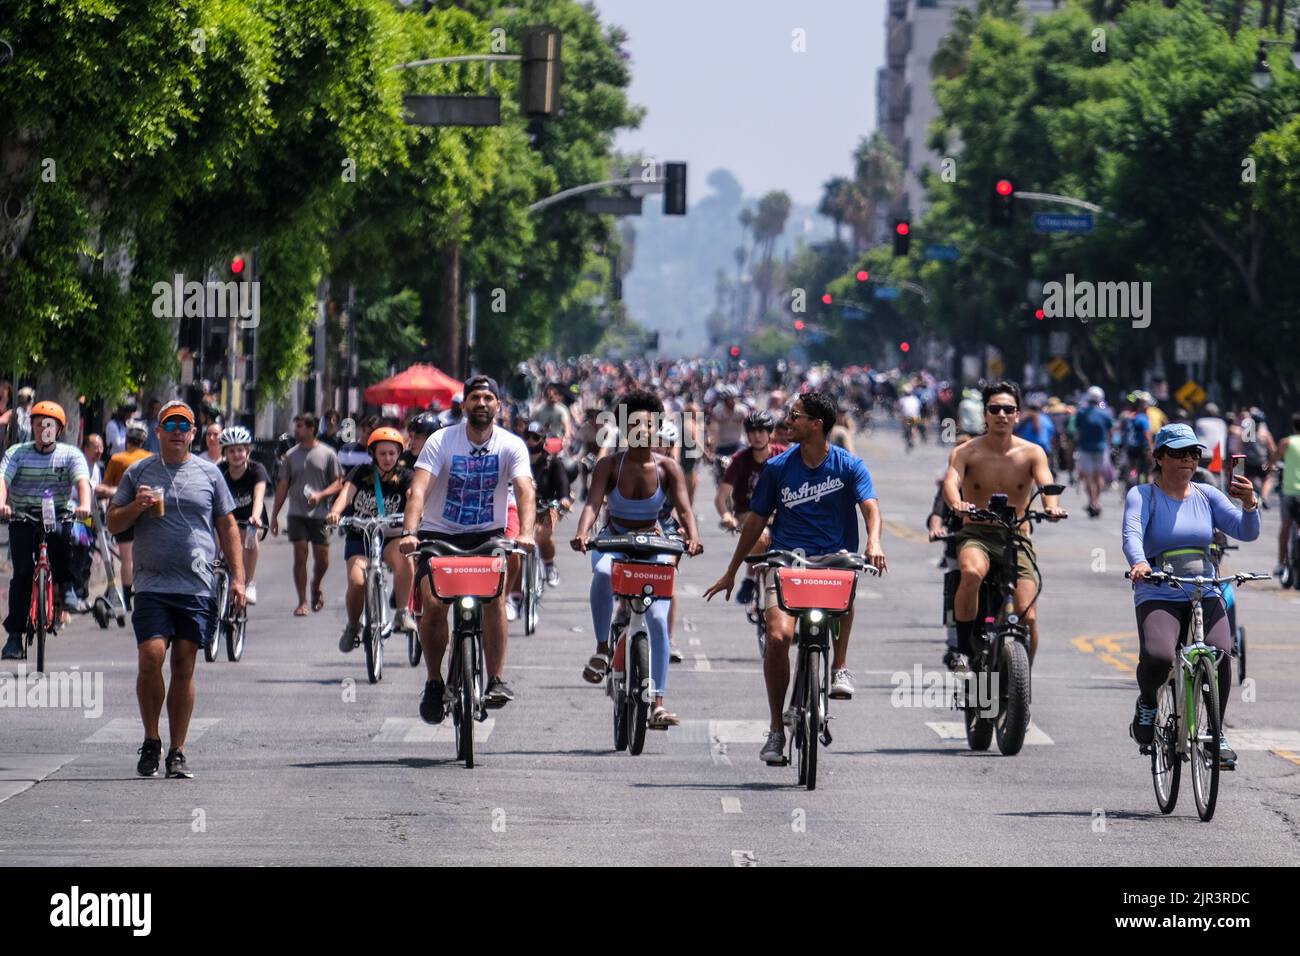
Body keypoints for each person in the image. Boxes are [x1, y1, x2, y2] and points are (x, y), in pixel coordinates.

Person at [704, 390, 887, 764]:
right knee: (778, 636)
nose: (787, 422)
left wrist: (875, 541)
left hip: (834, 560)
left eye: (796, 416)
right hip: (788, 562)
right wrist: (732, 570)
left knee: (847, 582)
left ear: (816, 425)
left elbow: (871, 506)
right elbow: (755, 521)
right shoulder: (778, 468)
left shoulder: (849, 465)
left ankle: (839, 667)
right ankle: (775, 730)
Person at [107, 401, 242, 779]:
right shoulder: (139, 472)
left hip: (196, 586)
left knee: (184, 664)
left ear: (194, 433)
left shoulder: (210, 474)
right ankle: (152, 738)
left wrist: (240, 579)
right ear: (159, 431)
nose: (179, 430)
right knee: (151, 657)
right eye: (171, 424)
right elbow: (114, 522)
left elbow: (228, 526)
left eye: (186, 424)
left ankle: (177, 751)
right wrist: (137, 505)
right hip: (151, 583)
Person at [1123, 423, 1259, 767]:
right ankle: (1148, 703)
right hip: (1160, 588)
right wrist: (1139, 562)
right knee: (1158, 656)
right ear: (1159, 457)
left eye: (1193, 454)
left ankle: (1215, 732)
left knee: (1221, 653)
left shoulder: (1208, 495)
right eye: (1177, 453)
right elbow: (1132, 533)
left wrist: (1249, 503)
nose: (1187, 460)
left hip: (1205, 588)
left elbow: (1246, 531)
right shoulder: (1143, 495)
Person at [400, 376, 535, 718]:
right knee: (432, 605)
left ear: (498, 406)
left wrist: (527, 532)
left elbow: (525, 490)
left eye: (489, 398)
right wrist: (409, 531)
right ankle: (434, 682)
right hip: (438, 535)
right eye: (475, 397)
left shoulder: (511, 445)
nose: (482, 403)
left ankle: (496, 679)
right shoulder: (440, 441)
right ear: (464, 405)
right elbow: (418, 490)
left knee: (494, 600)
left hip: (487, 536)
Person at [571, 390, 701, 729]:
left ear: (657, 427)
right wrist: (584, 533)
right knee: (601, 572)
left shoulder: (669, 467)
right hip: (614, 539)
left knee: (658, 619)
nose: (641, 429)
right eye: (634, 424)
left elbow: (685, 510)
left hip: (654, 540)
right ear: (624, 429)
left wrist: (693, 536)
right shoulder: (609, 465)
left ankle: (658, 701)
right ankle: (602, 648)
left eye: (647, 423)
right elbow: (592, 504)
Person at [941, 381, 1066, 670]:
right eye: (994, 409)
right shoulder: (965, 452)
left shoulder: (1032, 452)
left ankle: (1021, 682)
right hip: (976, 534)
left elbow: (1047, 484)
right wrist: (956, 503)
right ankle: (962, 647)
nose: (1001, 415)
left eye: (1008, 409)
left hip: (1016, 536)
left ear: (1017, 415)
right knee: (971, 572)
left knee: (1028, 616)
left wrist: (1052, 508)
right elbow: (951, 481)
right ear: (984, 414)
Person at [0, 401, 93, 657]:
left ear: (59, 430)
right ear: (31, 426)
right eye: (38, 423)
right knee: (21, 574)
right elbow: (3, 480)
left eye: (49, 425)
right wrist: (2, 504)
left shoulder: (70, 454)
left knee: (66, 544)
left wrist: (84, 504)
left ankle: (67, 588)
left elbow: (82, 482)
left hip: (57, 515)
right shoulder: (17, 452)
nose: (43, 428)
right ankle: (14, 637)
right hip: (22, 516)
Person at [328, 426, 416, 649]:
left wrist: (416, 514)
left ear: (399, 454)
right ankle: (353, 624)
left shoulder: (406, 476)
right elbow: (346, 495)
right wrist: (335, 512)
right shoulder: (360, 473)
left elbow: (412, 497)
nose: (387, 458)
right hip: (361, 535)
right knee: (357, 582)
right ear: (373, 454)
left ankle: (403, 613)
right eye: (382, 453)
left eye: (392, 453)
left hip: (392, 536)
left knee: (405, 562)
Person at [270, 413, 342, 616]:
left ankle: (316, 586)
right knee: (300, 553)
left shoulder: (327, 454)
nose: (296, 431)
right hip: (297, 513)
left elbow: (338, 483)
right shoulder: (290, 456)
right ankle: (302, 601)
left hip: (320, 514)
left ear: (312, 429)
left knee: (322, 559)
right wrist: (274, 516)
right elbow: (282, 486)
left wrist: (321, 495)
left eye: (300, 426)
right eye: (296, 426)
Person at [715, 410, 786, 606]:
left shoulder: (784, 455)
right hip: (749, 513)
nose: (757, 435)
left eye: (762, 431)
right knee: (761, 535)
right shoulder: (739, 460)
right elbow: (721, 497)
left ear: (770, 433)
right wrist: (727, 515)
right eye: (752, 431)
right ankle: (750, 578)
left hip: (780, 515)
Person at [96, 420, 154, 611]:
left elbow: (104, 488)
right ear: (144, 440)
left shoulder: (117, 459)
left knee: (126, 558)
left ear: (127, 439)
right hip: (148, 512)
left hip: (123, 512)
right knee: (146, 555)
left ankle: (127, 598)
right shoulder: (152, 459)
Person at [217, 426, 268, 605]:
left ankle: (250, 583)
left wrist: (255, 516)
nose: (236, 454)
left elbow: (258, 496)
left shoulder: (257, 470)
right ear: (225, 453)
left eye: (240, 450)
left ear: (247, 451)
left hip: (251, 518)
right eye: (231, 451)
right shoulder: (219, 471)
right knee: (214, 535)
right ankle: (215, 575)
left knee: (250, 534)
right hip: (226, 518)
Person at [67, 433, 106, 612]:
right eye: (95, 447)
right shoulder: (79, 464)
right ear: (86, 448)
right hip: (74, 515)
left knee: (88, 555)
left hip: (89, 517)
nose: (99, 450)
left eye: (101, 447)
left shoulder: (97, 468)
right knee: (78, 552)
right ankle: (72, 593)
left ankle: (81, 594)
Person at [1072, 386, 1115, 518]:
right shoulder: (1106, 413)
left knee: (1088, 477)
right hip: (1101, 448)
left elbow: (1077, 430)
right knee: (1099, 476)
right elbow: (1110, 431)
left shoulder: (1081, 412)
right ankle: (1097, 501)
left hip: (1085, 448)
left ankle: (1091, 501)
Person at [1272, 412, 1300, 579]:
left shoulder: (1286, 442)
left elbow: (1272, 461)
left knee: (1285, 526)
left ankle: (1281, 563)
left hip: (1289, 492)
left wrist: (1273, 466)